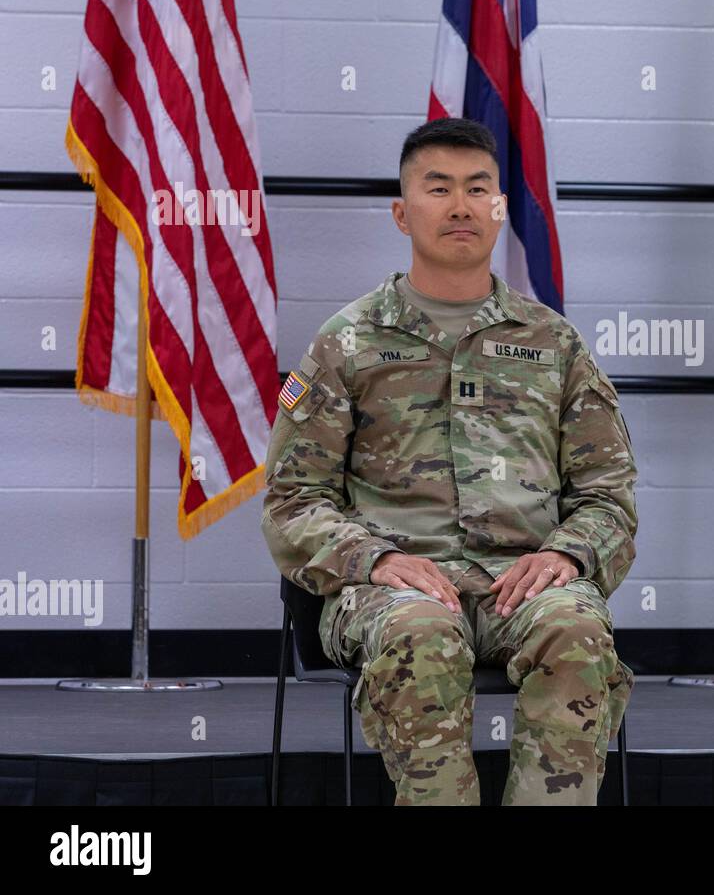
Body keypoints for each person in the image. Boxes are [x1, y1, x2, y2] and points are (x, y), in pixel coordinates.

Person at [262, 117, 637, 805]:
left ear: (501, 208)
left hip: (523, 583)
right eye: (438, 189)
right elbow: (292, 500)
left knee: (577, 629)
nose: (460, 206)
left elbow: (609, 495)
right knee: (421, 632)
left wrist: (568, 556)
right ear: (403, 212)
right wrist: (373, 560)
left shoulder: (554, 343)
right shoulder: (347, 343)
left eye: (477, 189)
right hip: (395, 588)